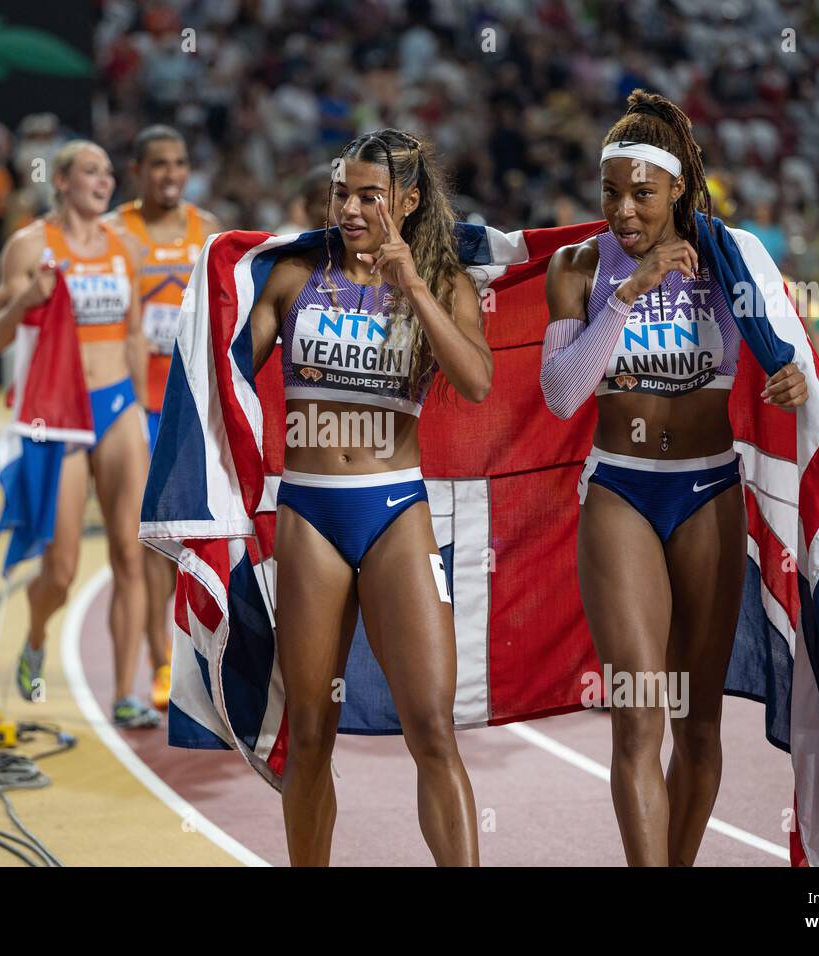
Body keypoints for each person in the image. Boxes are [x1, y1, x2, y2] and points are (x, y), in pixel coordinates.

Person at [540, 91, 807, 866]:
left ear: (678, 190)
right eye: (610, 192)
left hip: (709, 494)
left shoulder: (729, 258)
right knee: (639, 718)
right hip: (621, 491)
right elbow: (562, 394)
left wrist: (791, 378)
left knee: (697, 726)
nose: (623, 209)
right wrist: (629, 291)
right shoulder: (579, 267)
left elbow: (791, 350)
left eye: (641, 193)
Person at [245, 128, 491, 865]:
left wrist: (411, 284)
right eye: (340, 192)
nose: (349, 208)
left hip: (395, 511)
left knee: (433, 728)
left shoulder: (443, 285)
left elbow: (477, 382)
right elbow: (217, 371)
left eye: (369, 196)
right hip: (310, 512)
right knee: (313, 730)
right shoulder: (293, 275)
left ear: (409, 203)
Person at [0, 140, 156, 728]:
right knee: (59, 568)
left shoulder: (125, 248)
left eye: (109, 171)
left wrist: (140, 406)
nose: (103, 180)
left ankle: (126, 693)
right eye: (90, 171)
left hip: (116, 408)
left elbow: (134, 333)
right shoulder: (30, 245)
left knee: (130, 555)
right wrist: (26, 300)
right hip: (59, 415)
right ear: (60, 180)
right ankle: (36, 637)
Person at [106, 125, 221, 712]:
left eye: (179, 163)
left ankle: (205, 660)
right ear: (137, 170)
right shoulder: (115, 232)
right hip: (135, 407)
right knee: (149, 544)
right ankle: (159, 662)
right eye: (158, 165)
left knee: (196, 539)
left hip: (191, 406)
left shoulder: (209, 230)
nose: (170, 174)